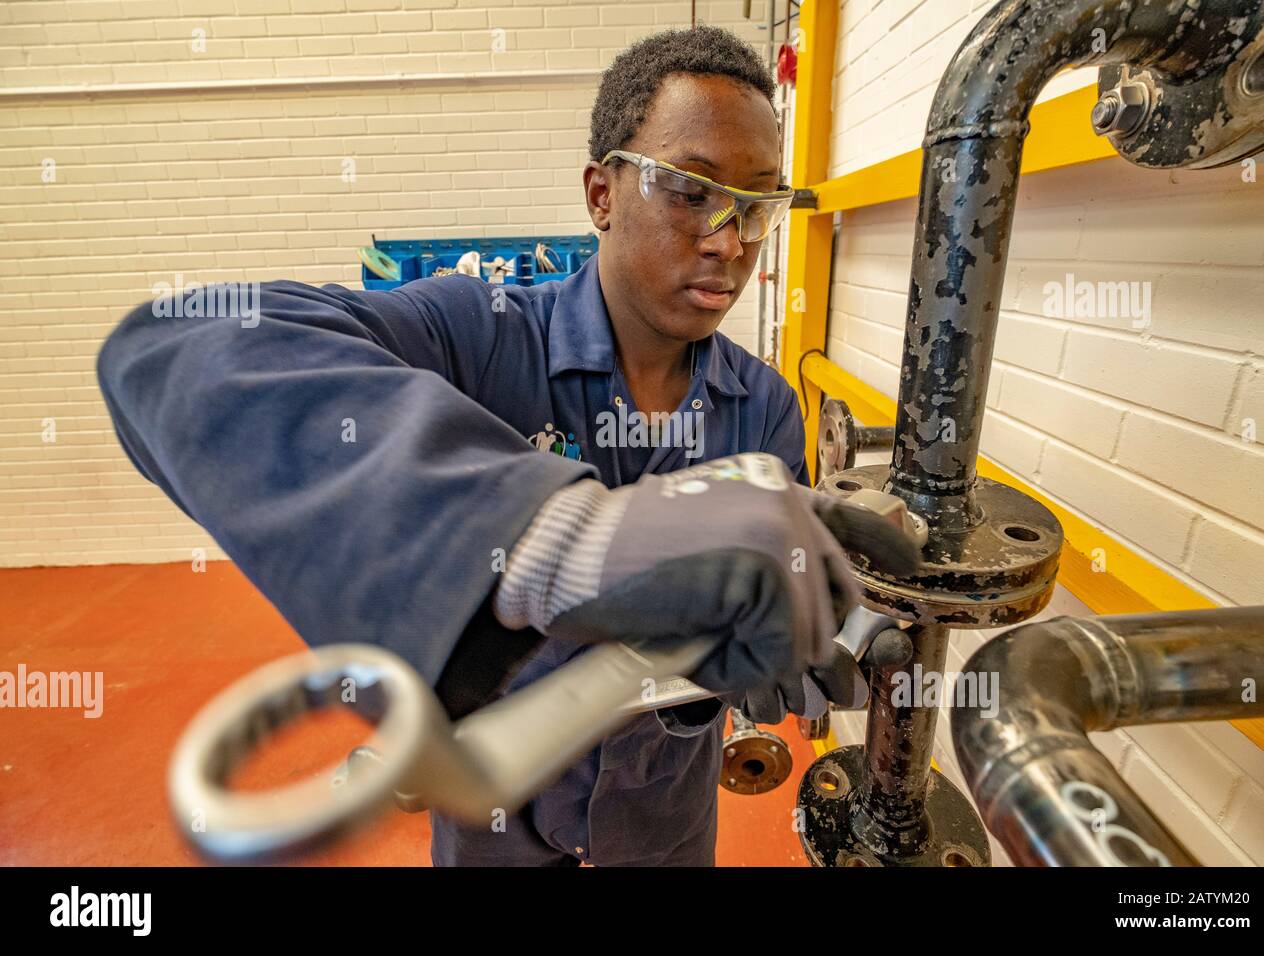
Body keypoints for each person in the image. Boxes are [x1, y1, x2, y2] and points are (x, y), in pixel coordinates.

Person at [97, 26, 872, 867]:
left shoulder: (762, 408)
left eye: (758, 206)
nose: (732, 241)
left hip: (661, 827)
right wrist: (564, 543)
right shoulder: (480, 334)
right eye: (691, 192)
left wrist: (783, 635)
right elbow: (169, 349)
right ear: (601, 194)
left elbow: (745, 645)